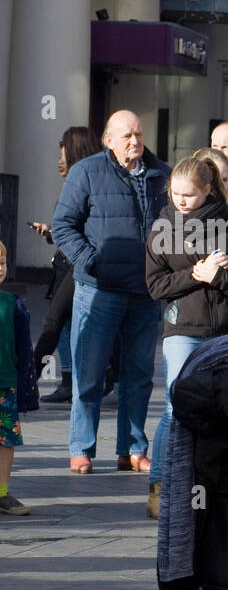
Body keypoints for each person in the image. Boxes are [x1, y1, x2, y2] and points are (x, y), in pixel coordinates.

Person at [144, 156, 228, 518]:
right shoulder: (162, 228)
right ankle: (161, 484)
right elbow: (154, 285)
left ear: (208, 190)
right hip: (182, 330)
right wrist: (197, 275)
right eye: (176, 194)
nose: (181, 201)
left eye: (190, 195)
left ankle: (220, 484)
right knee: (175, 406)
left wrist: (222, 278)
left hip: (227, 329)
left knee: (226, 408)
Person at [51, 109, 170, 475]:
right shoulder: (87, 171)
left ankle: (132, 449)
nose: (134, 142)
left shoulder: (161, 174)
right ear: (108, 139)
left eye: (138, 134)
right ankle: (81, 448)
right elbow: (63, 225)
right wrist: (91, 261)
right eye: (126, 136)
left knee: (137, 375)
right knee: (89, 373)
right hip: (98, 291)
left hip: (146, 292)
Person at [32, 126, 102, 404]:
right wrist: (53, 233)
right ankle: (72, 381)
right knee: (70, 322)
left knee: (56, 321)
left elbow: (85, 227)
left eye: (63, 155)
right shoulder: (82, 179)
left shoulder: (85, 180)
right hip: (72, 264)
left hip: (81, 264)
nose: (59, 161)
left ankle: (29, 382)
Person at [0, 243, 37, 515]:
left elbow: (23, 348)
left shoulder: (12, 303)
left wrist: (25, 385)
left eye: (0, 263)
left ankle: (2, 492)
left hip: (5, 384)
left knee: (6, 442)